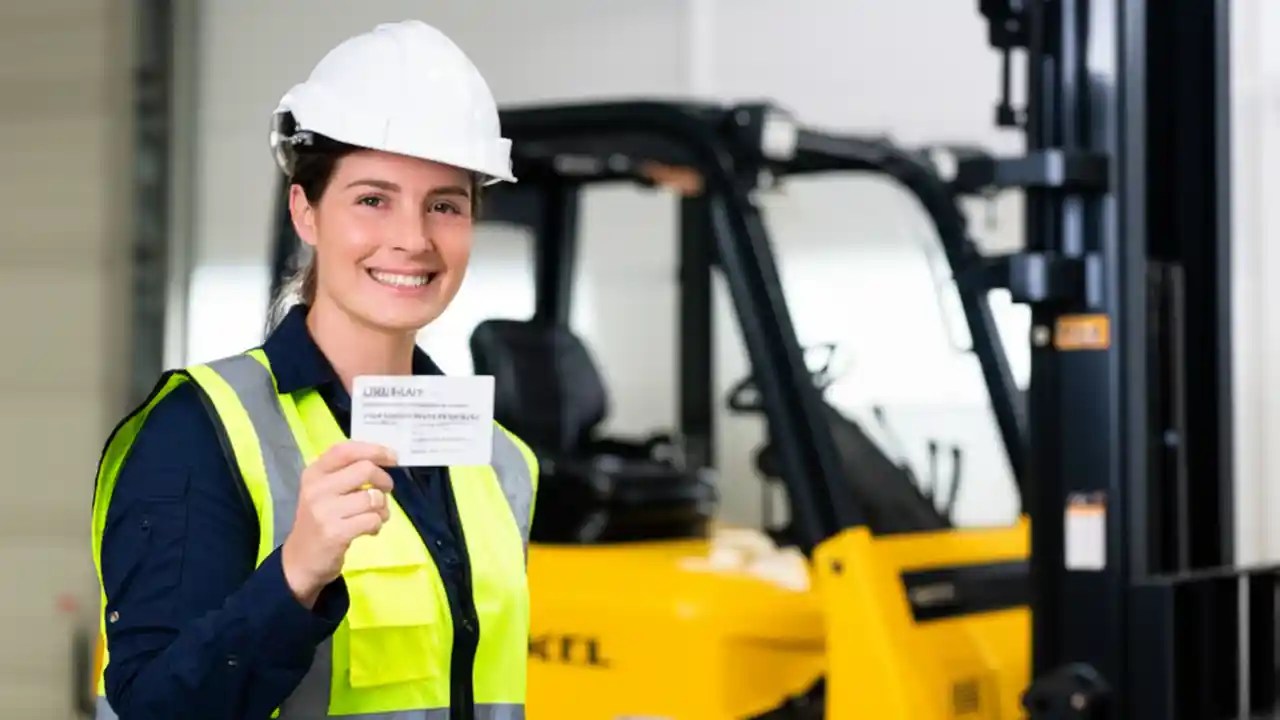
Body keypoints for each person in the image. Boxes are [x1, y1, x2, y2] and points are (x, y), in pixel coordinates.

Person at [89, 19, 537, 720]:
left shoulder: (501, 460)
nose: (413, 239)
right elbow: (154, 707)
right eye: (372, 199)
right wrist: (295, 576)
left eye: (444, 205)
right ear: (306, 210)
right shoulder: (199, 434)